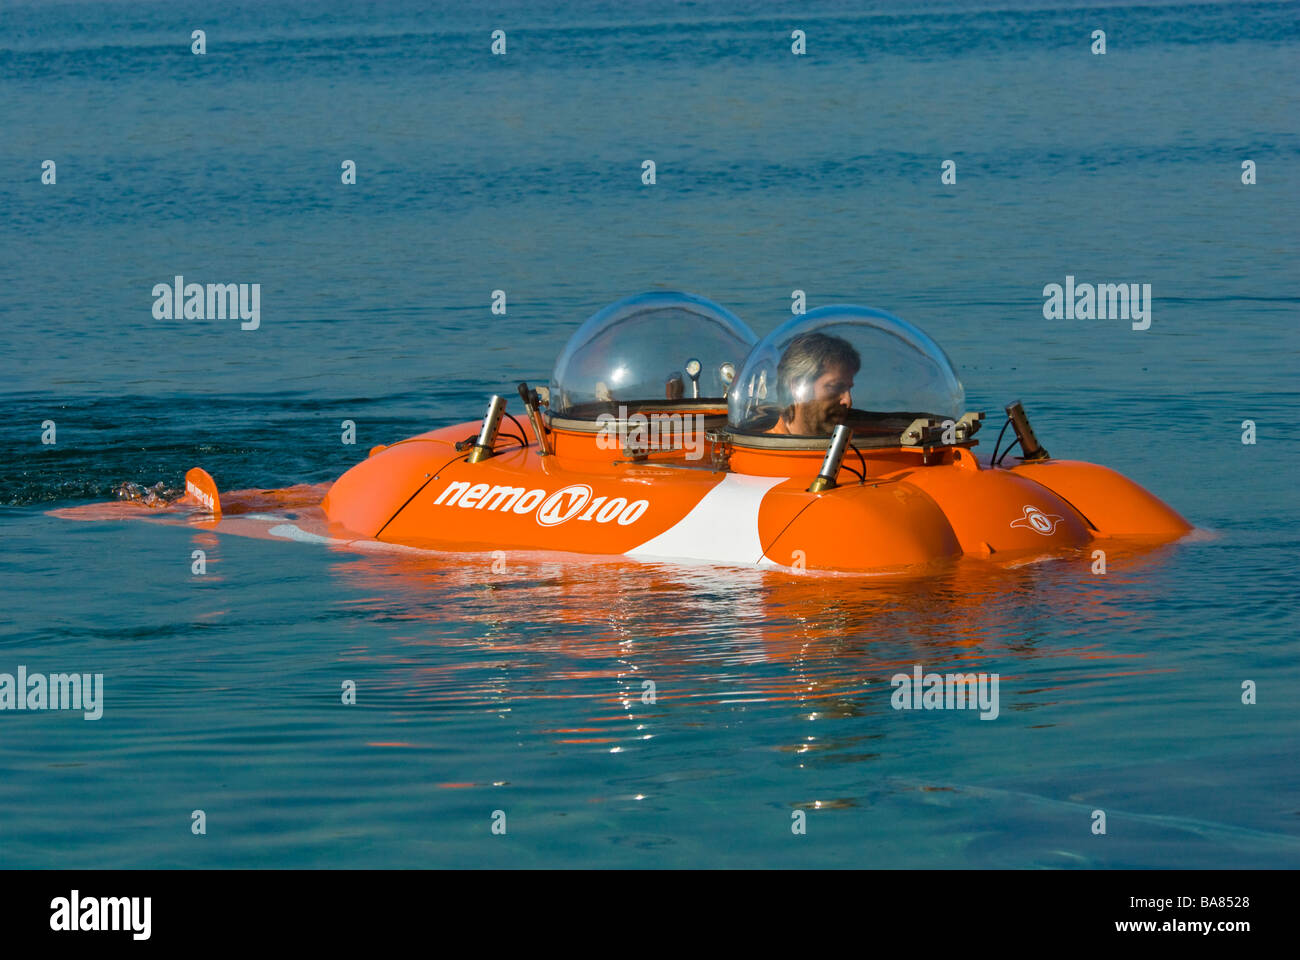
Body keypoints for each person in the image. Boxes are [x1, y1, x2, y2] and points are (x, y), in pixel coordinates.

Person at [768, 332, 860, 435]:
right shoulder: (761, 447)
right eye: (836, 387)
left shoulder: (852, 443)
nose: (848, 401)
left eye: (849, 388)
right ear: (797, 385)